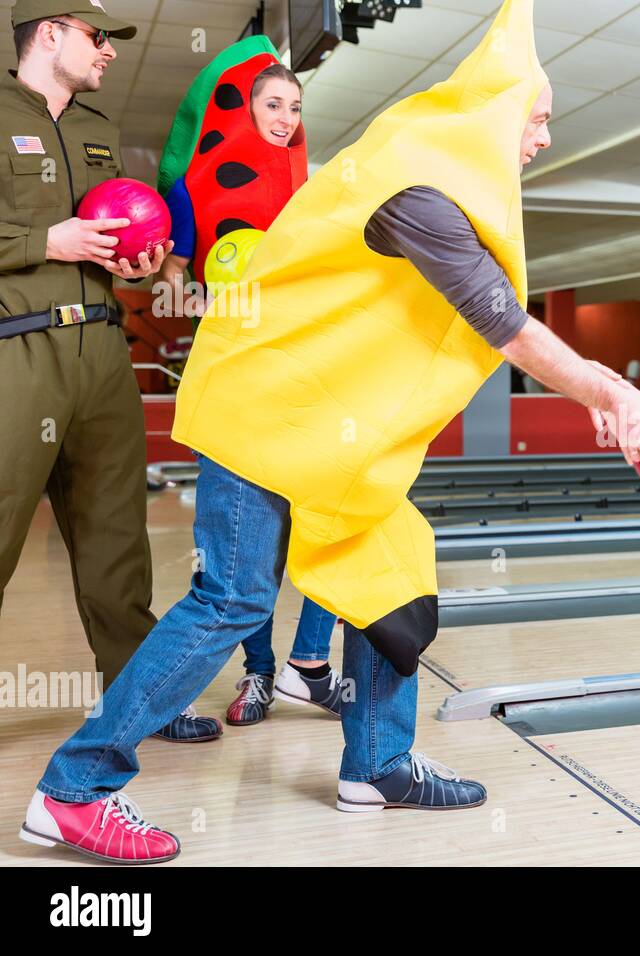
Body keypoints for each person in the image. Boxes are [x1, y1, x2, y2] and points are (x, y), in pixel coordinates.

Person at [19, 0, 640, 865]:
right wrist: (612, 393)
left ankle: (378, 763)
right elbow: (500, 321)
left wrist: (602, 393)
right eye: (539, 117)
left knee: (392, 569)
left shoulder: (442, 183)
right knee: (236, 599)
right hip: (267, 410)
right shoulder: (419, 189)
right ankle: (73, 791)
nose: (542, 138)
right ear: (494, 112)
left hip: (326, 428)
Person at [0, 0, 219, 744]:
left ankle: (139, 705)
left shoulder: (99, 131)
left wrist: (140, 262)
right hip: (18, 352)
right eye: (99, 38)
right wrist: (45, 239)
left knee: (117, 546)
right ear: (50, 32)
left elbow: (108, 244)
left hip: (104, 351)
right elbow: (53, 241)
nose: (111, 53)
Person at [154, 42, 341, 727]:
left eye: (295, 107)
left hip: (305, 373)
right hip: (233, 378)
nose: (286, 118)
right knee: (245, 551)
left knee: (329, 524)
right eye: (273, 104)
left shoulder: (309, 193)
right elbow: (168, 285)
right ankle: (258, 674)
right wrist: (200, 300)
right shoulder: (192, 190)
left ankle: (310, 665)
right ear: (243, 107)